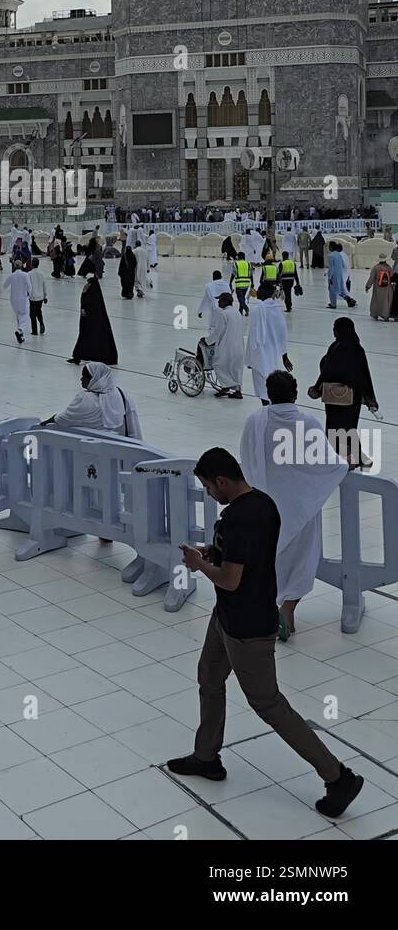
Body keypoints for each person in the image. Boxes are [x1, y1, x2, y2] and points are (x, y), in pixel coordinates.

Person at [167, 448, 364, 820]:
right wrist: (213, 552)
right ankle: (206, 756)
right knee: (209, 677)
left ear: (222, 481)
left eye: (209, 487)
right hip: (226, 617)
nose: (209, 493)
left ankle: (338, 777)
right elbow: (244, 557)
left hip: (247, 627)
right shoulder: (263, 504)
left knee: (268, 703)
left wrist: (197, 564)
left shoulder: (240, 518)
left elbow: (230, 579)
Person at [241, 371, 349, 640]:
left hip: (266, 507)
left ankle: (265, 607)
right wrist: (347, 463)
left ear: (268, 393)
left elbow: (247, 459)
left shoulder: (256, 421)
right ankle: (288, 608)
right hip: (301, 507)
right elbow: (326, 463)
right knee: (302, 559)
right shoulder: (307, 422)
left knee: (270, 560)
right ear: (295, 393)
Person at [308, 318, 379, 466]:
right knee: (349, 428)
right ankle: (355, 457)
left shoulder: (336, 348)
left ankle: (338, 458)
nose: (333, 331)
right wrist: (370, 399)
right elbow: (364, 376)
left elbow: (326, 372)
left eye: (335, 328)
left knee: (335, 428)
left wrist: (316, 389)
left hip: (334, 398)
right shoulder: (357, 349)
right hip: (352, 400)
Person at [42, 362, 142, 437]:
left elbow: (66, 419)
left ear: (94, 379)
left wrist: (51, 420)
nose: (81, 379)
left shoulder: (85, 399)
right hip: (119, 445)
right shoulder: (121, 395)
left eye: (84, 377)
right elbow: (133, 423)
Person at [245, 282, 292, 405]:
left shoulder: (257, 310)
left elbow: (253, 336)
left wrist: (250, 359)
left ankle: (267, 412)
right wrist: (284, 356)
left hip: (260, 353)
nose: (258, 292)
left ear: (267, 292)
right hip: (274, 353)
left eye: (260, 289)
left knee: (262, 388)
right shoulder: (277, 309)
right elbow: (283, 332)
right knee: (271, 384)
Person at [202, 293, 244, 399]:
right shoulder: (237, 313)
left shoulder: (223, 314)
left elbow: (218, 332)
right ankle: (236, 391)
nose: (218, 302)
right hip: (238, 346)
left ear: (226, 301)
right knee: (235, 369)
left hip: (227, 346)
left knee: (219, 365)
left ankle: (226, 387)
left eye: (220, 300)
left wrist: (207, 341)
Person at [70, 275, 118, 366]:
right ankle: (78, 356)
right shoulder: (88, 293)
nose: (86, 284)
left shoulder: (94, 296)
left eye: (88, 283)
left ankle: (79, 356)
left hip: (92, 324)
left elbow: (91, 308)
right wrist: (84, 294)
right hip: (87, 323)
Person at [4, 262, 32, 344]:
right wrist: (30, 295)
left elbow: (5, 285)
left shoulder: (11, 276)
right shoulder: (25, 275)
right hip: (23, 299)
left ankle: (21, 336)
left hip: (14, 300)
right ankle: (20, 330)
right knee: (25, 317)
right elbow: (30, 287)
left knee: (18, 317)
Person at [327, 240, 356, 310]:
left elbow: (331, 268)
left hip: (334, 276)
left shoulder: (330, 256)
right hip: (340, 275)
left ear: (331, 247)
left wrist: (330, 277)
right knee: (340, 290)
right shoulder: (339, 254)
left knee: (332, 290)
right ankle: (349, 299)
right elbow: (343, 265)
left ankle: (333, 304)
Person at [365, 255, 393, 321]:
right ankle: (385, 314)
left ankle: (375, 314)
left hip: (378, 288)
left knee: (376, 301)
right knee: (386, 301)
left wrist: (367, 286)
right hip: (387, 288)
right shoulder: (389, 267)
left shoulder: (375, 268)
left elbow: (371, 278)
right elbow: (392, 277)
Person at [229, 251, 254, 317]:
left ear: (238, 257)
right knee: (242, 298)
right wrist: (252, 283)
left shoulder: (236, 264)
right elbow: (251, 274)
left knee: (240, 298)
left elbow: (233, 274)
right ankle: (240, 311)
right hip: (246, 284)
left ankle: (246, 308)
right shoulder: (248, 264)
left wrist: (230, 282)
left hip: (239, 284)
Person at [277, 248, 301, 313]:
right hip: (291, 281)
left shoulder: (282, 264)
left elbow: (279, 274)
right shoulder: (293, 263)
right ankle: (289, 306)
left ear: (283, 256)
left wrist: (278, 283)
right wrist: (297, 283)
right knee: (288, 293)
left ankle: (288, 307)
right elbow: (295, 274)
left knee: (287, 294)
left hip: (284, 281)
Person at [28, 257, 47, 335]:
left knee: (32, 314)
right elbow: (44, 285)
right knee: (39, 311)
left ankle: (34, 330)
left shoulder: (29, 274)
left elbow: (28, 286)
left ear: (32, 264)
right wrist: (45, 296)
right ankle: (41, 323)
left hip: (33, 297)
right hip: (40, 297)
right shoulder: (41, 274)